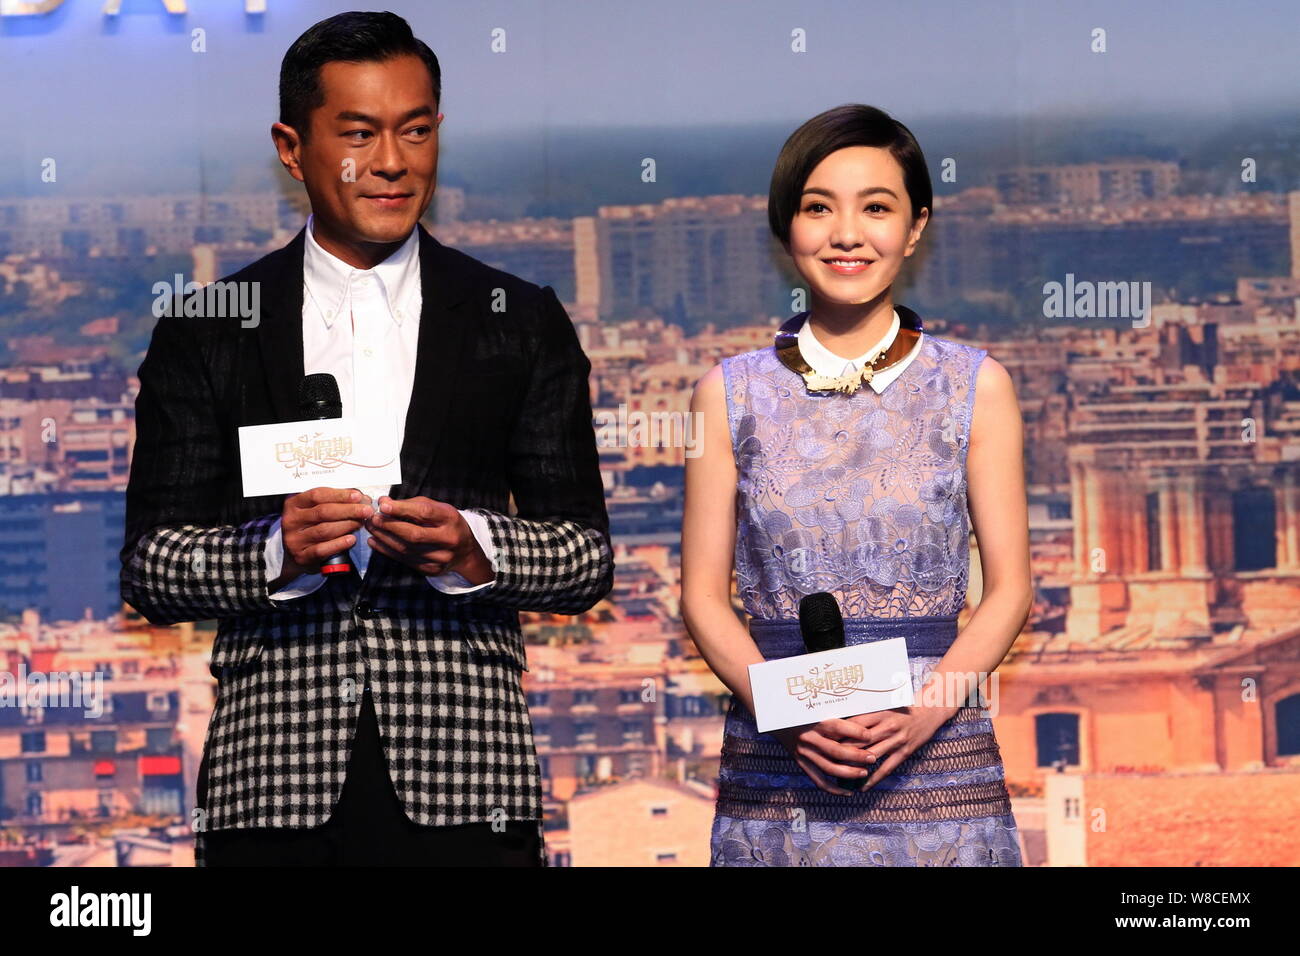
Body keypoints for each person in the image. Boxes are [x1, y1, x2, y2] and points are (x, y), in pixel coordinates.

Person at [120, 11, 613, 866]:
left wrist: (475, 549)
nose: (392, 161)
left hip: (470, 785)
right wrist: (275, 552)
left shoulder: (518, 320)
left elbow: (583, 558)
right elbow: (150, 567)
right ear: (290, 145)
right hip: (272, 788)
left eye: (415, 131)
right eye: (359, 133)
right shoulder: (208, 327)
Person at [682, 104, 1029, 866]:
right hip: (781, 765)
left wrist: (920, 716)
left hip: (938, 755)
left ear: (914, 228)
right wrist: (786, 715)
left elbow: (1009, 591)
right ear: (786, 229)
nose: (847, 233)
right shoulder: (727, 393)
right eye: (818, 207)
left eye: (876, 207)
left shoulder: (976, 385)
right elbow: (702, 598)